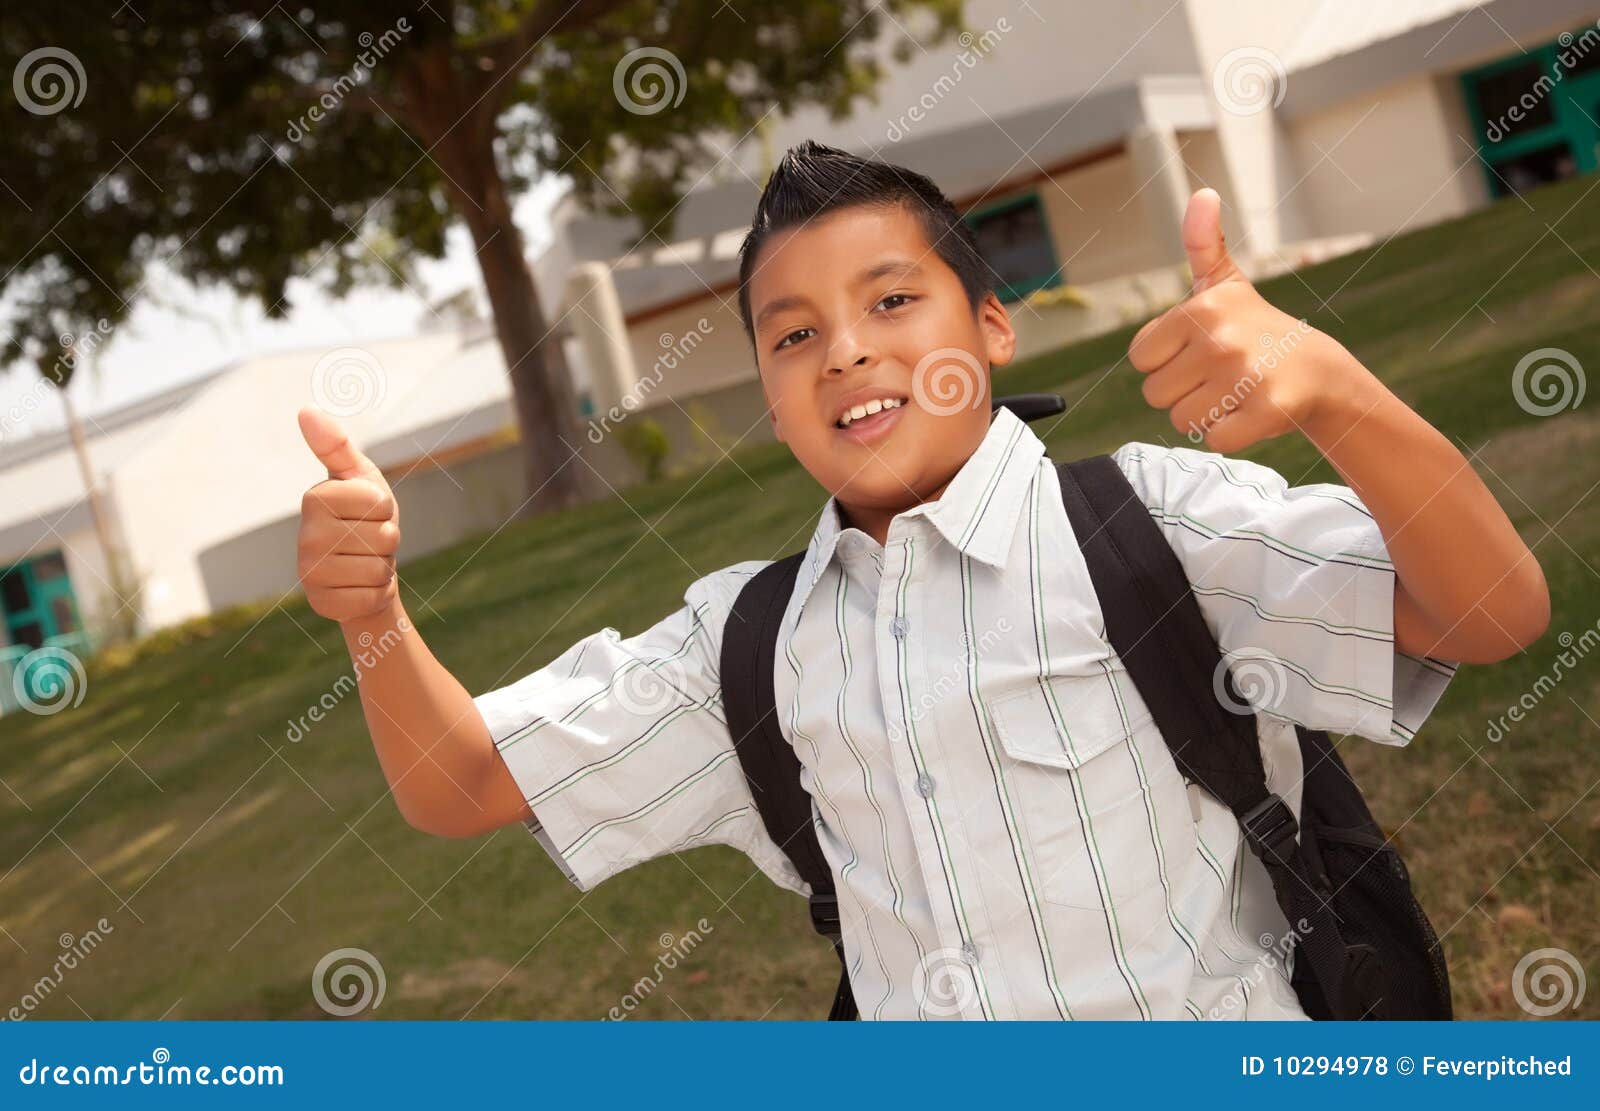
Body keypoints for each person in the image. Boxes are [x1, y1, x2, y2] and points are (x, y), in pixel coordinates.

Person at [294, 140, 1548, 1019]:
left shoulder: (1150, 527)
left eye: (891, 300)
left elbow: (1491, 612)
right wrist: (373, 616)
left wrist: (1333, 392)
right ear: (770, 394)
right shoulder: (747, 642)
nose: (843, 351)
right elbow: (460, 781)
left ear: (991, 326)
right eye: (792, 334)